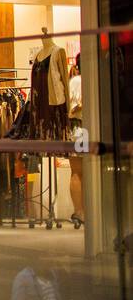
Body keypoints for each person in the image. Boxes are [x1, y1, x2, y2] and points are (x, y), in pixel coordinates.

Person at [68, 54, 85, 228]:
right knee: (78, 170)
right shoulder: (79, 82)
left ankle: (81, 211)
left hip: (80, 127)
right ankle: (80, 211)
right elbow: (74, 108)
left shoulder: (74, 81)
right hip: (81, 127)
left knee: (79, 170)